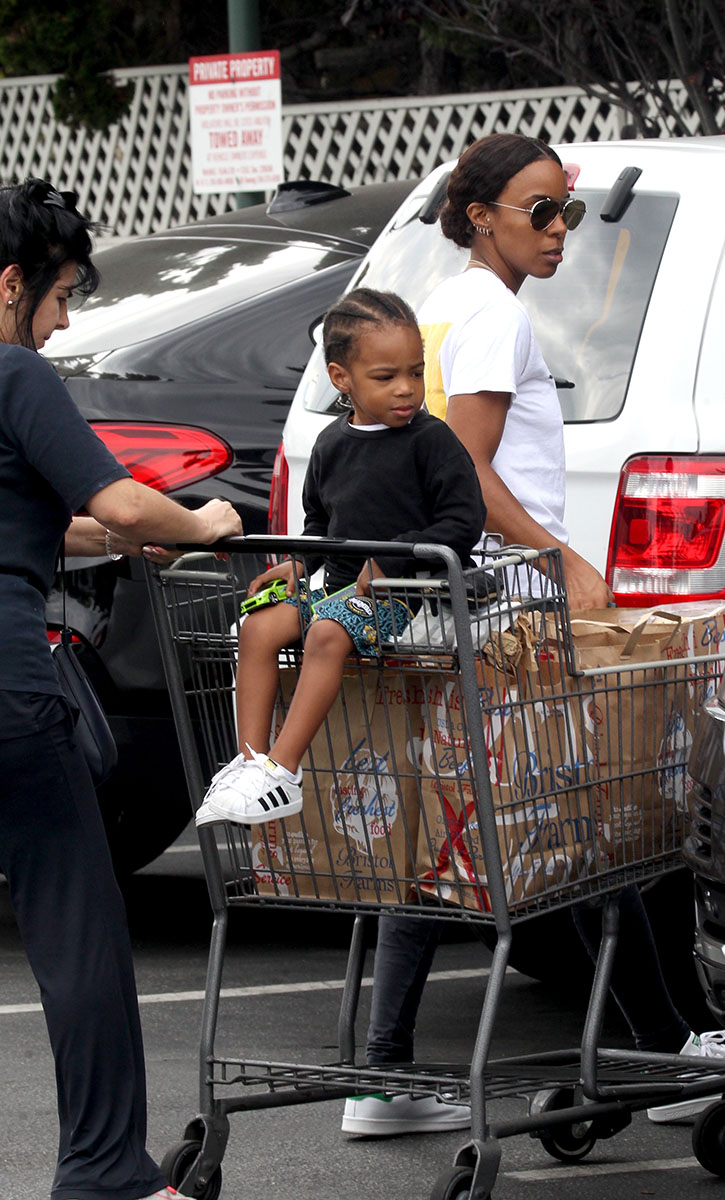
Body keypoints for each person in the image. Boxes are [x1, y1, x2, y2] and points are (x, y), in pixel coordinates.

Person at [342, 134, 725, 1139]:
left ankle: (387, 1072)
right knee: (574, 834)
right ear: (480, 219)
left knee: (492, 833)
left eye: (567, 213)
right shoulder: (494, 317)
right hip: (506, 608)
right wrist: (561, 561)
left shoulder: (440, 308)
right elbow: (461, 475)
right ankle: (668, 1052)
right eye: (538, 212)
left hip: (462, 608)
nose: (558, 231)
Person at [0, 177, 242, 1200]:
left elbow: (64, 518)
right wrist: (200, 524)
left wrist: (100, 533)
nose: (59, 327)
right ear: (11, 284)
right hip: (10, 697)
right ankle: (104, 1169)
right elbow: (123, 497)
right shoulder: (14, 372)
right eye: (56, 299)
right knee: (76, 928)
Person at [193, 288, 486, 829]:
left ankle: (283, 770)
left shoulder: (433, 441)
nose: (407, 389)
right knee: (257, 625)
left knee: (326, 633)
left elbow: (463, 523)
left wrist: (394, 562)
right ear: (341, 377)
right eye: (386, 376)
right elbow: (321, 527)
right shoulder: (331, 445)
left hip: (410, 600)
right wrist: (299, 563)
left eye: (416, 373)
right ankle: (251, 763)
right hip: (342, 592)